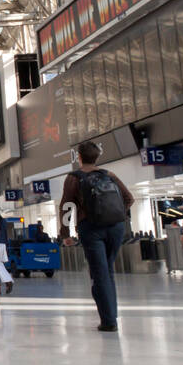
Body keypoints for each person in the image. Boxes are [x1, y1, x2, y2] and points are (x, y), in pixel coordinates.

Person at [58, 142, 134, 331]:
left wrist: (66, 234)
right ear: (97, 157)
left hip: (91, 228)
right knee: (107, 271)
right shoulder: (109, 175)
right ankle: (111, 315)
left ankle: (109, 321)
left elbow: (67, 206)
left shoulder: (74, 178)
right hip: (116, 227)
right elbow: (129, 199)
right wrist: (116, 214)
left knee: (100, 273)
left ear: (79, 157)